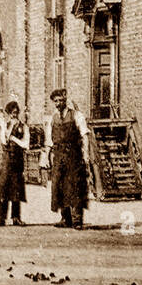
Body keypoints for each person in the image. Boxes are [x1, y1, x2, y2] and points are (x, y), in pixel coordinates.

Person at [43, 89, 90, 229]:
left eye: (60, 100)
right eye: (56, 101)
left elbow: (85, 135)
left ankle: (77, 220)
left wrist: (86, 153)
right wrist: (46, 157)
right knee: (59, 185)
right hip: (58, 155)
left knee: (75, 186)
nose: (58, 103)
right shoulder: (53, 118)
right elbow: (49, 140)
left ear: (65, 100)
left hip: (73, 155)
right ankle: (65, 218)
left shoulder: (76, 115)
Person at [0, 100, 29, 227]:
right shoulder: (5, 126)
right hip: (6, 160)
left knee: (17, 189)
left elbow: (26, 144)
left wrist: (14, 138)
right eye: (11, 113)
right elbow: (4, 141)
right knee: (3, 188)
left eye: (16, 113)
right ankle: (1, 218)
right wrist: (5, 126)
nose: (14, 116)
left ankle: (16, 217)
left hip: (18, 160)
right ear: (8, 114)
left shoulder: (24, 126)